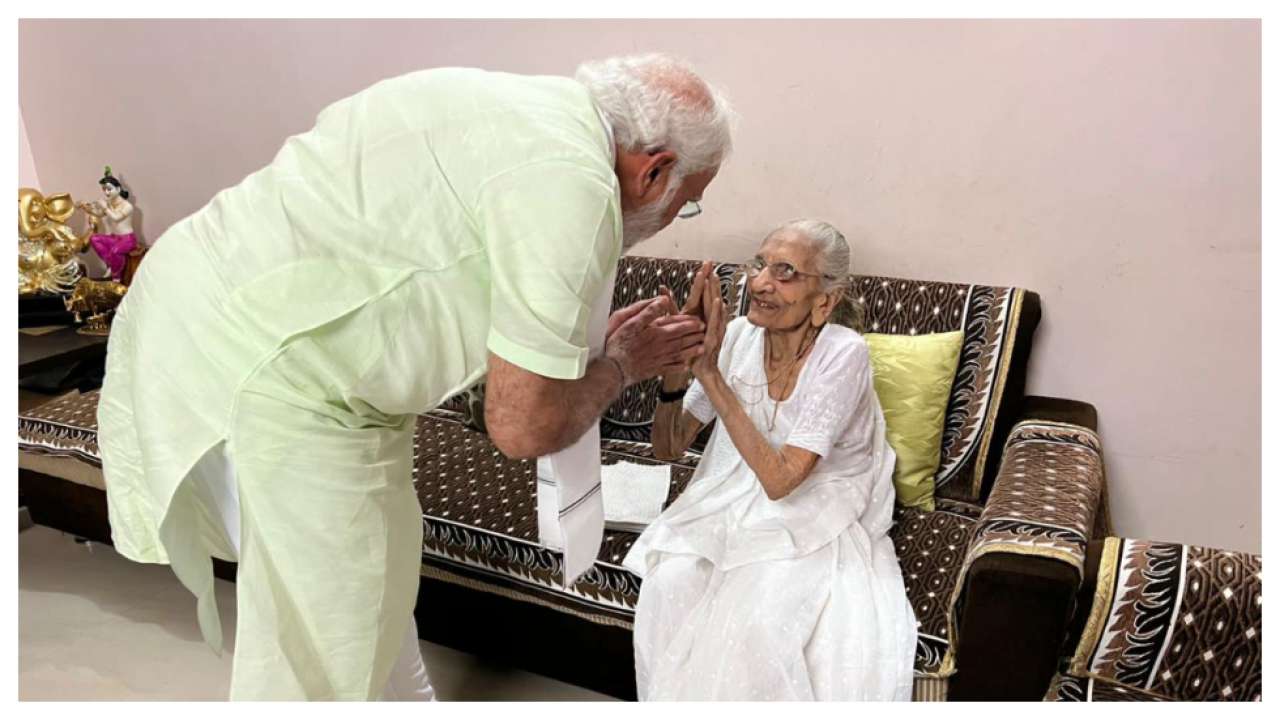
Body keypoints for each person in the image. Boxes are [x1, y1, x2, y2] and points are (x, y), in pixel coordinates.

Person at [97, 53, 733, 700]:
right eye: (688, 203)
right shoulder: (574, 183)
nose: (673, 216)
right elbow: (522, 424)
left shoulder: (523, 105)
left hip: (252, 324)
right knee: (326, 643)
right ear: (654, 171)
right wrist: (622, 363)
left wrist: (587, 347)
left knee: (376, 582)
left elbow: (444, 271)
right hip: (270, 359)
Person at [625, 219, 917, 701]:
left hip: (819, 506)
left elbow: (784, 482)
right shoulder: (739, 336)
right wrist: (676, 375)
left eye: (785, 273)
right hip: (737, 496)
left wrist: (709, 373)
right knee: (668, 583)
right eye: (760, 265)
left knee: (756, 623)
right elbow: (669, 447)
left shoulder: (844, 354)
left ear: (824, 300)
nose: (760, 283)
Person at [79, 166, 139, 282]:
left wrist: (105, 207)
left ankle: (116, 277)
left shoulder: (127, 206)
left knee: (115, 251)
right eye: (104, 190)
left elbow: (116, 218)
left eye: (109, 189)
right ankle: (112, 265)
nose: (106, 192)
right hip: (114, 237)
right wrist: (86, 208)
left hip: (127, 239)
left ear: (118, 189)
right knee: (94, 238)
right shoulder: (110, 203)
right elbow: (99, 214)